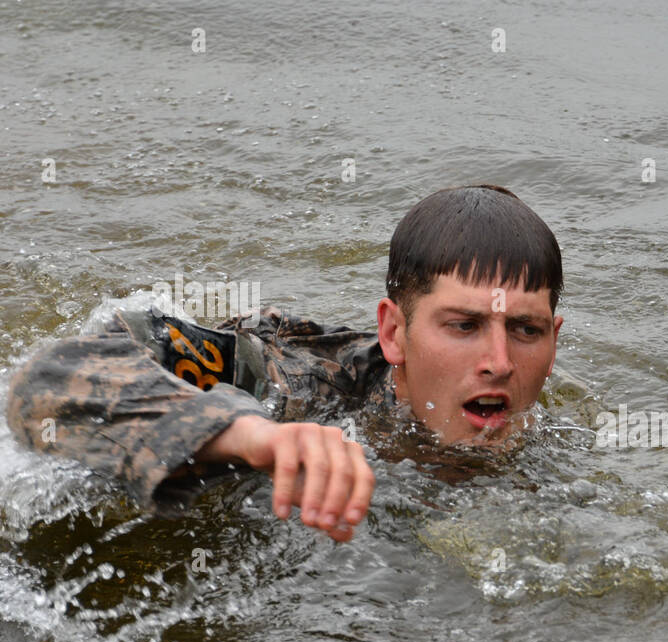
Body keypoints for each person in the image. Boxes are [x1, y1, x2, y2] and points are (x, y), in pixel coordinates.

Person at [5, 184, 566, 543]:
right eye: (463, 325)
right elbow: (46, 381)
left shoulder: (558, 451)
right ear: (394, 333)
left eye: (525, 330)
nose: (499, 362)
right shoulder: (295, 381)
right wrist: (251, 437)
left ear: (554, 339)